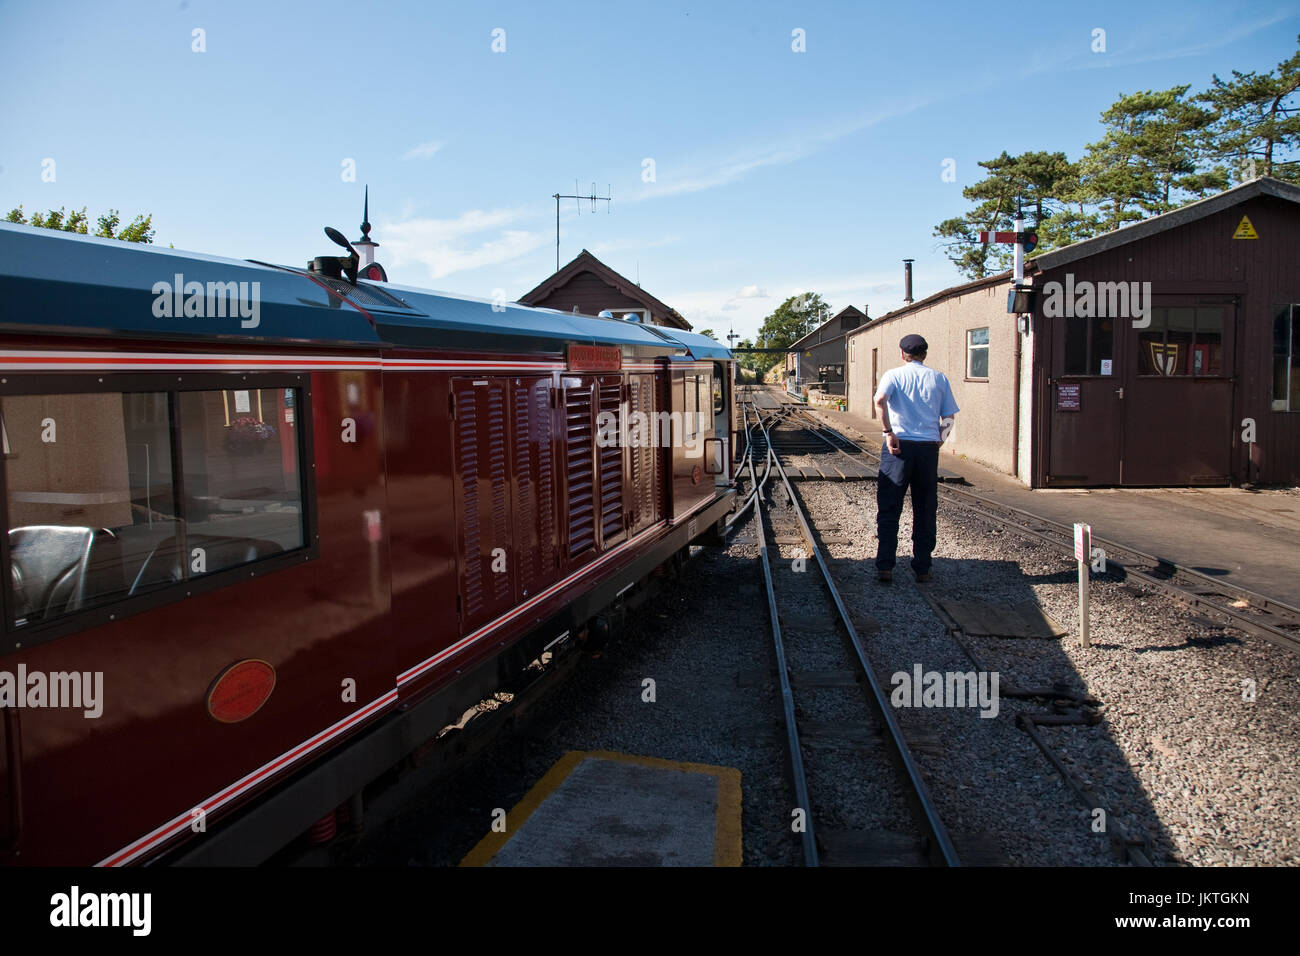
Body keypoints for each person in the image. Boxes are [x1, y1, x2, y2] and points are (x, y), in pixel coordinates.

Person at [873, 333, 958, 583]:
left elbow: (880, 400)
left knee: (889, 508)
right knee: (925, 508)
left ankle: (885, 566)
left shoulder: (894, 375)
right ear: (925, 354)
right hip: (927, 449)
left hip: (897, 448)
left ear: (903, 354)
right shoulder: (939, 378)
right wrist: (938, 441)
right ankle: (922, 567)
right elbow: (949, 417)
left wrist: (888, 432)